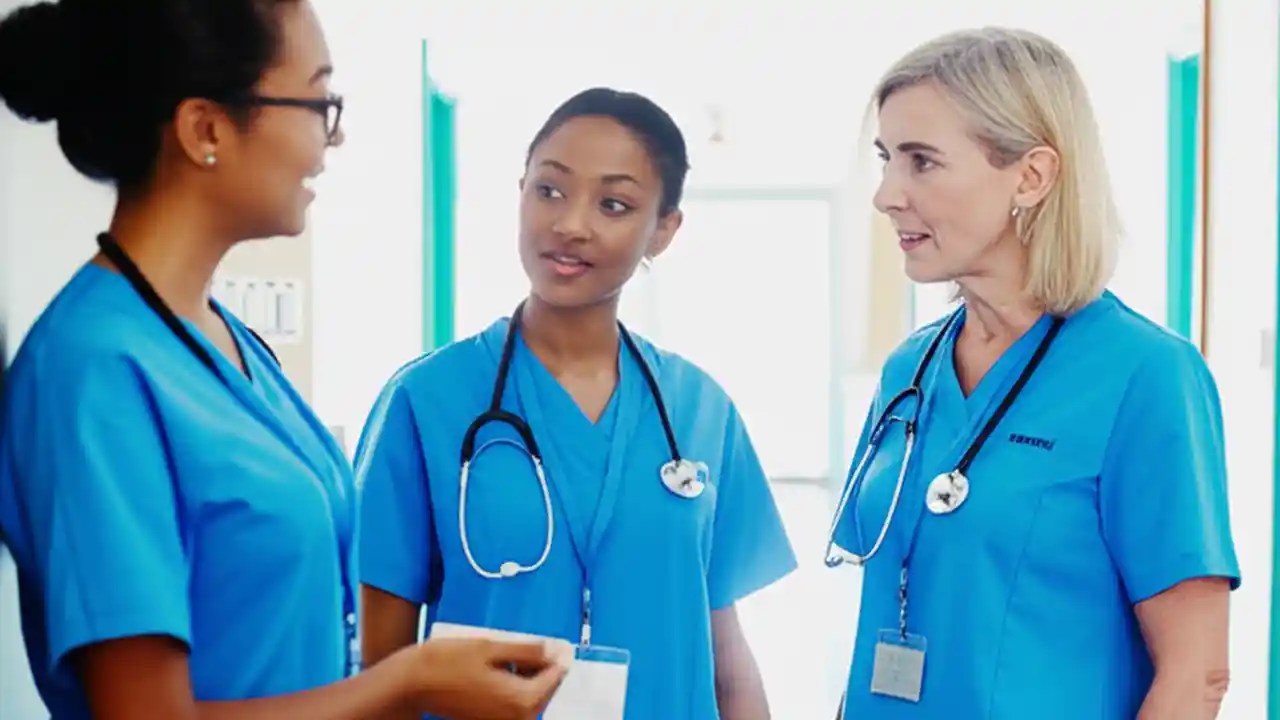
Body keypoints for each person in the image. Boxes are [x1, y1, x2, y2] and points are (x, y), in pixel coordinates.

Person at [0, 2, 570, 718]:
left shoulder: (227, 343)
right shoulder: (92, 373)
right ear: (205, 128)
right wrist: (408, 680)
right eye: (318, 102)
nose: (330, 140)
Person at [825, 27, 1239, 720]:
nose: (887, 194)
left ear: (1033, 175)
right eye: (885, 158)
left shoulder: (1146, 376)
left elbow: (1195, 675)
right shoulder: (911, 368)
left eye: (921, 162)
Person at [356, 87, 798, 720]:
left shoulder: (700, 410)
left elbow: (725, 653)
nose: (570, 225)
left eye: (614, 204)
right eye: (550, 190)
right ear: (521, 192)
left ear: (664, 230)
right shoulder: (425, 400)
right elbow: (382, 670)